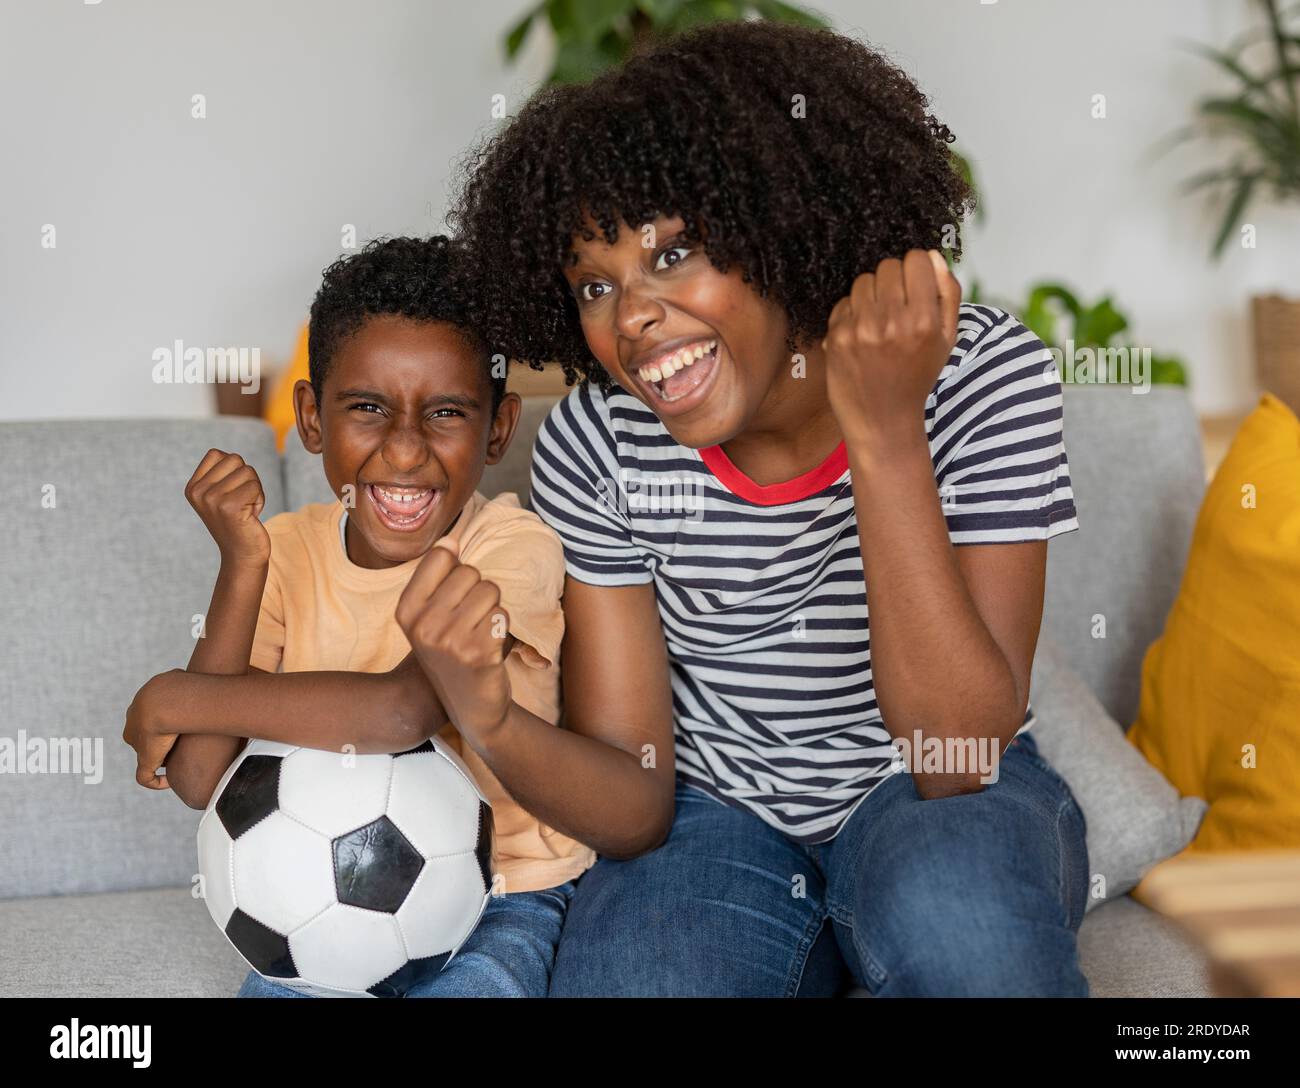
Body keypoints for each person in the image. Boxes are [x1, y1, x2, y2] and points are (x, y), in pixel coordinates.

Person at [449, 21, 1091, 996]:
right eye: (595, 281)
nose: (630, 317)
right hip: (713, 812)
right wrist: (490, 715)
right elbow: (634, 785)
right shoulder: (596, 441)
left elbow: (954, 754)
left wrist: (879, 427)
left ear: (786, 223)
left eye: (676, 253)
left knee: (969, 939)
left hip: (927, 793)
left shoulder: (980, 374)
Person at [123, 236, 594, 996]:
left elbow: (403, 709)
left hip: (502, 895)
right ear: (311, 417)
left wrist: (176, 694)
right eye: (368, 408)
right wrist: (242, 567)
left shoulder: (511, 548)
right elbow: (200, 775)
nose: (405, 451)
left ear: (498, 429)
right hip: (308, 902)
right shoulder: (282, 553)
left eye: (444, 412)